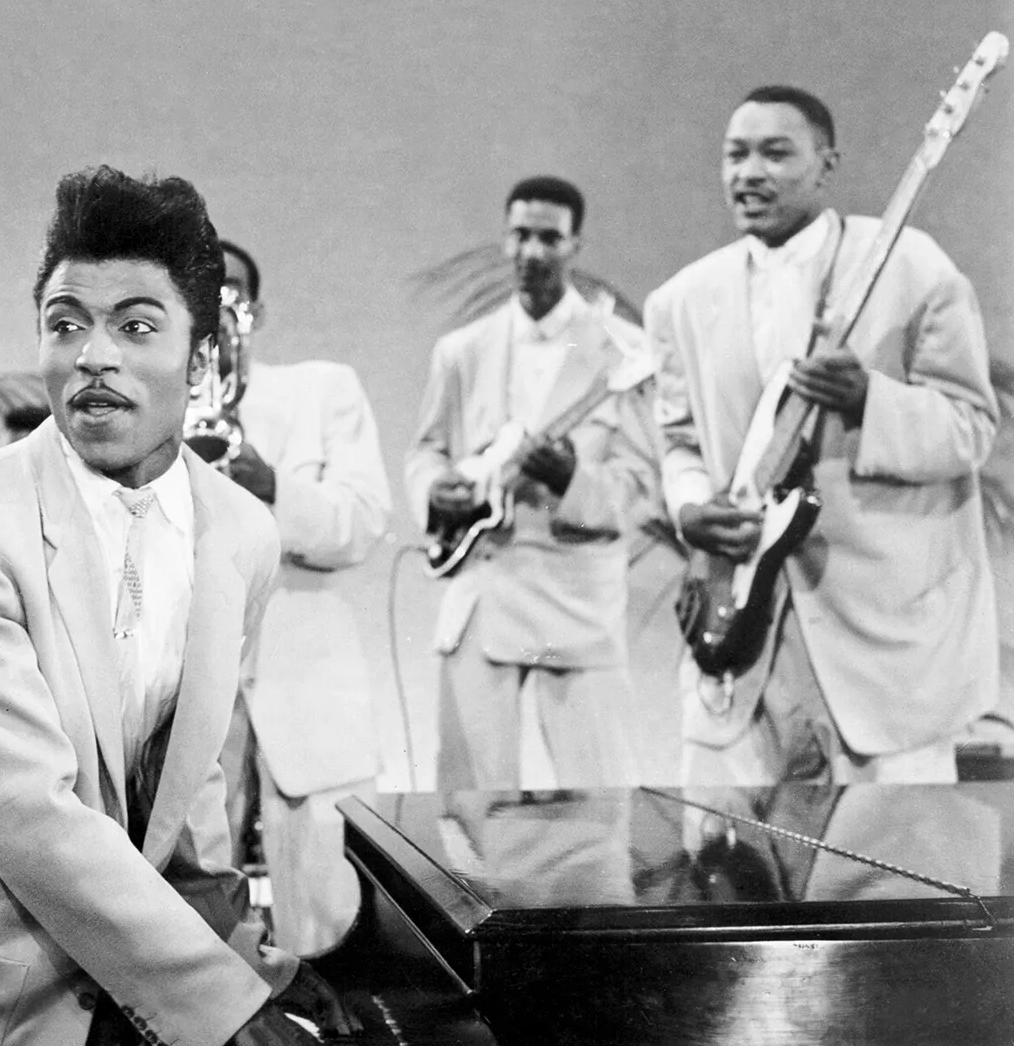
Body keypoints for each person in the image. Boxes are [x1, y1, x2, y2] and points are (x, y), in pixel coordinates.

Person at [0, 167, 360, 1046]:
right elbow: (27, 813)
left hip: (132, 999)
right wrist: (227, 1002)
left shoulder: (242, 535)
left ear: (199, 360)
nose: (93, 355)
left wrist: (254, 956)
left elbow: (188, 784)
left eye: (135, 326)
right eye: (65, 321)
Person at [644, 85, 1000, 786]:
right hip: (745, 638)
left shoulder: (911, 264)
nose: (750, 172)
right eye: (735, 154)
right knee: (732, 874)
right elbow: (678, 440)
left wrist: (871, 399)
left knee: (890, 879)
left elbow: (972, 427)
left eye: (776, 153)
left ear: (826, 162)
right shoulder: (681, 300)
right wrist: (689, 508)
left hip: (886, 653)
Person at [406, 176, 654, 791]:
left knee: (598, 814)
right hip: (480, 596)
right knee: (466, 820)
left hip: (576, 610)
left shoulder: (624, 354)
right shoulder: (462, 349)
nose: (533, 251)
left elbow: (643, 488)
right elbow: (427, 451)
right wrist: (437, 490)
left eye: (550, 237)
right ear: (504, 239)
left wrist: (572, 480)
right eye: (521, 235)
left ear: (576, 245)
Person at [211, 239, 391, 959]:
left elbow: (365, 523)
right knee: (198, 934)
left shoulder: (323, 390)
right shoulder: (143, 413)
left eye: (231, 293)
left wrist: (274, 488)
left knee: (330, 932)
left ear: (256, 310)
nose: (217, 307)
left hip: (306, 695)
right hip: (195, 705)